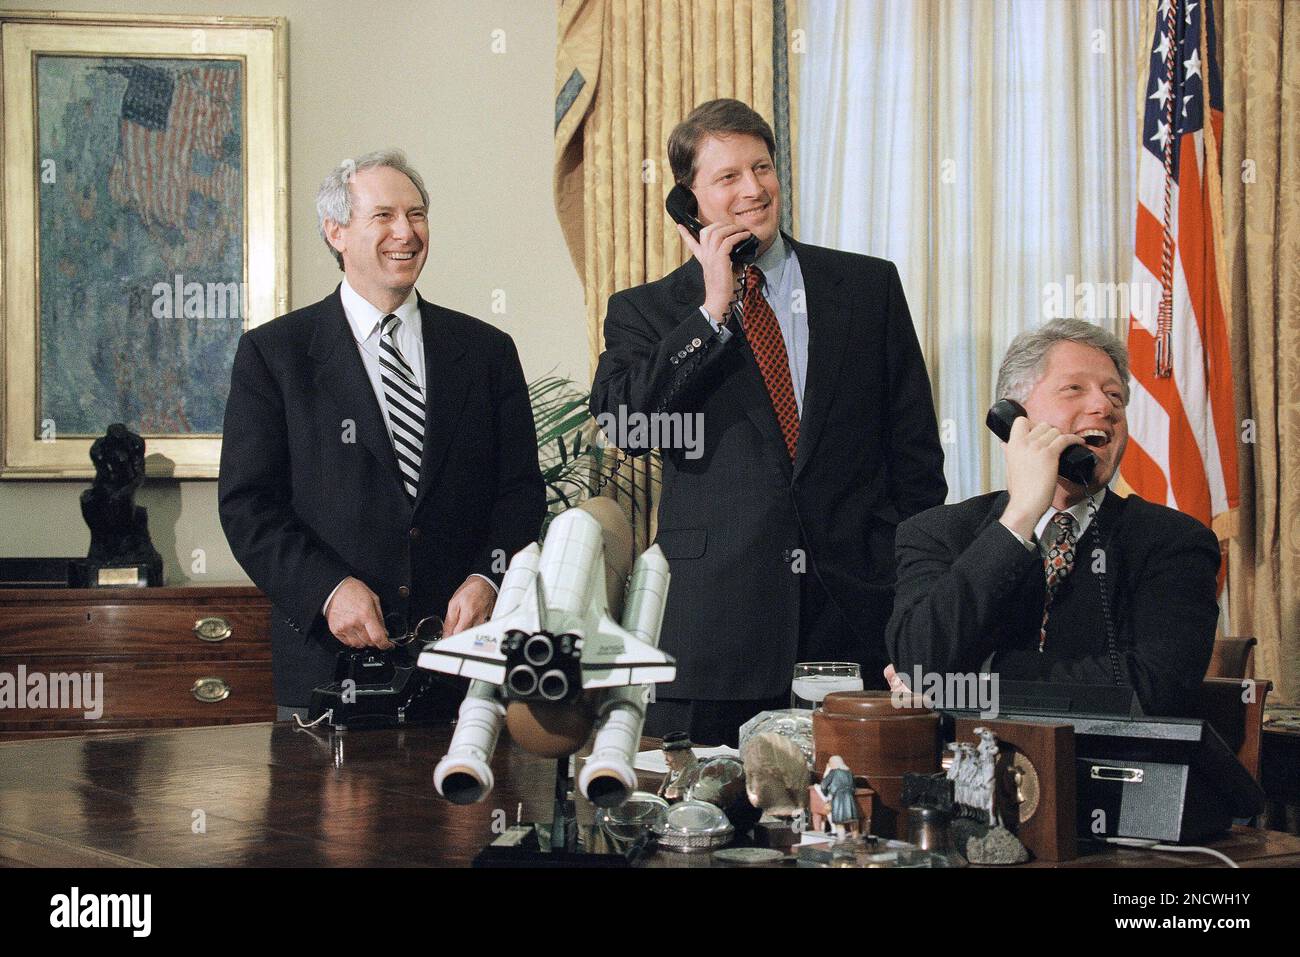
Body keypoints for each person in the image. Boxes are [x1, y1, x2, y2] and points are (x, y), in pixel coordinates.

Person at [591, 99, 947, 746]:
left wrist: (911, 602)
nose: (754, 189)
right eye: (728, 177)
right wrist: (712, 309)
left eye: (762, 167)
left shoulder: (867, 288)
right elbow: (625, 424)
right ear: (688, 200)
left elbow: (917, 461)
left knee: (857, 823)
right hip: (716, 629)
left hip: (856, 620)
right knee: (707, 828)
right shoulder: (649, 311)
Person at [218, 149, 545, 719]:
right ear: (336, 231)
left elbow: (519, 491)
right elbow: (249, 506)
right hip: (328, 664)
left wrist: (487, 576)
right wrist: (326, 590)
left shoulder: (487, 352)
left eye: (417, 215)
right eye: (385, 216)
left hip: (465, 669)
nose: (407, 233)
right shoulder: (276, 355)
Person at [885, 319, 1219, 717]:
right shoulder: (936, 533)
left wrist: (982, 674)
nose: (1104, 407)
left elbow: (1153, 686)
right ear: (1015, 416)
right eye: (1074, 389)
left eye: (1115, 395)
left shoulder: (1174, 541)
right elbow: (921, 663)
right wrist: (1020, 517)